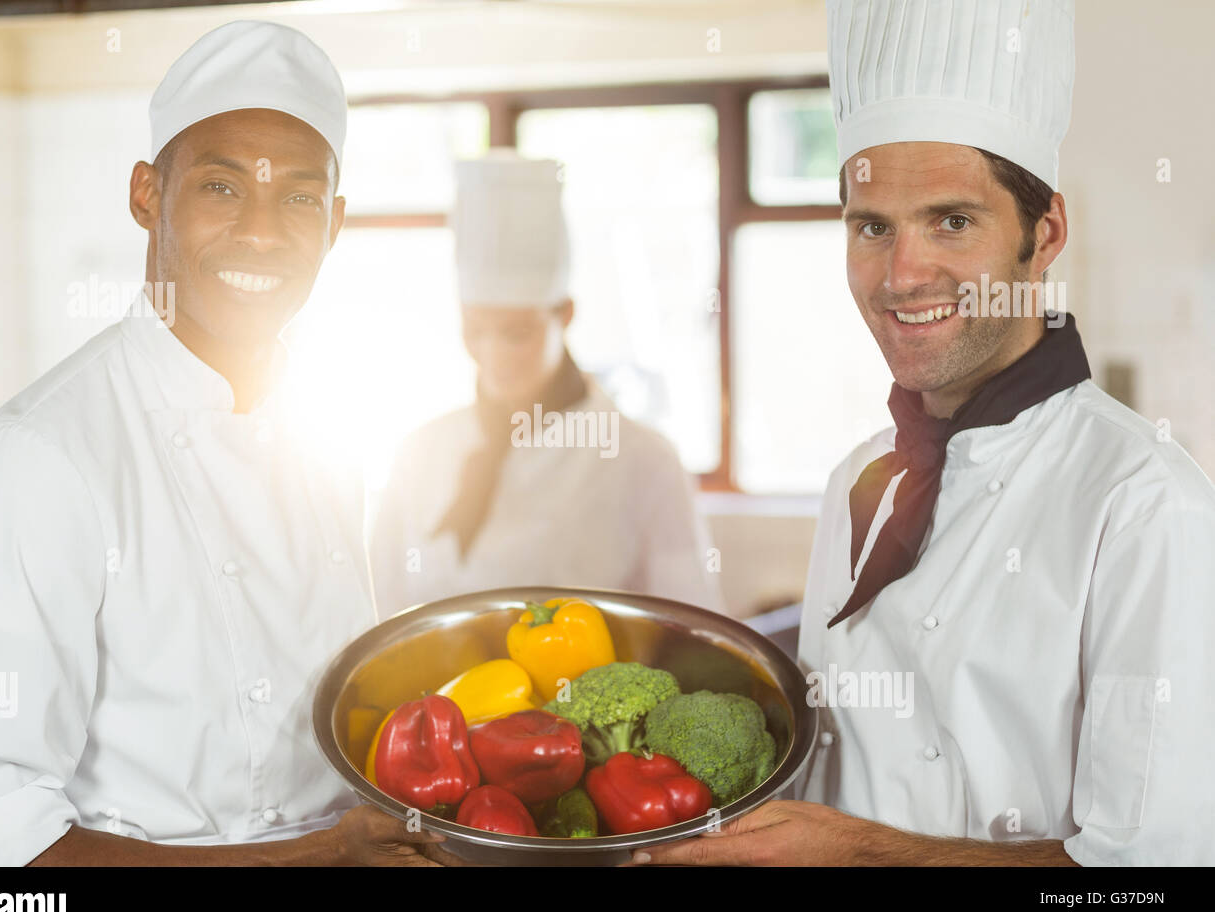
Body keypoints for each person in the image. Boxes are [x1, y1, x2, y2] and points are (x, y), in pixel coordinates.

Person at [637, 0, 1215, 866]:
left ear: (1044, 232)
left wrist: (855, 854)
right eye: (873, 226)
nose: (904, 275)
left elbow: (1141, 901)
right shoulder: (859, 482)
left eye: (952, 220)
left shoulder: (1142, 503)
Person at [0, 21, 454, 866]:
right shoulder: (35, 462)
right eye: (222, 188)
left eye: (300, 198)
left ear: (337, 223)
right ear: (145, 195)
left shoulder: (329, 447)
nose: (264, 233)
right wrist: (312, 862)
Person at [370, 151, 723, 618]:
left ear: (566, 314)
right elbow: (376, 606)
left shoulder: (643, 460)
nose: (494, 352)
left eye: (517, 332)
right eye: (475, 328)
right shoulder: (421, 450)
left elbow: (689, 625)